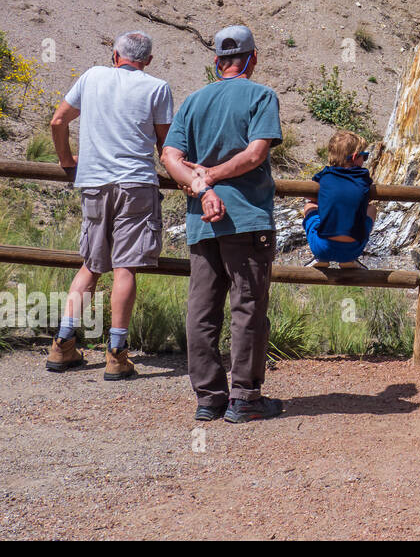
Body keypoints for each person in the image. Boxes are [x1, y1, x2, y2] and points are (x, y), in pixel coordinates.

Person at [160, 25, 284, 424]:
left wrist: (197, 182)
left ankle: (209, 397)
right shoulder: (261, 96)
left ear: (217, 62)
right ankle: (245, 397)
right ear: (253, 58)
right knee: (247, 306)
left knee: (202, 309)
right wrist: (212, 177)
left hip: (201, 221)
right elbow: (254, 154)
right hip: (246, 217)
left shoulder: (193, 101)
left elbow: (169, 157)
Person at [46, 32, 174, 380]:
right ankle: (116, 354)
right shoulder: (157, 87)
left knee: (91, 264)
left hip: (92, 182)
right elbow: (166, 144)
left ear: (114, 54)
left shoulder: (91, 76)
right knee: (125, 267)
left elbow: (58, 121)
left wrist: (67, 161)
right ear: (147, 61)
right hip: (135, 184)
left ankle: (62, 344)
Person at [303, 129, 376, 272]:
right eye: (365, 157)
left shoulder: (325, 175)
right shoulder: (363, 177)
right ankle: (348, 260)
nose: (365, 161)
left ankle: (320, 258)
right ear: (355, 157)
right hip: (354, 249)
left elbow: (310, 197)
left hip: (322, 248)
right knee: (371, 209)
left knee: (310, 205)